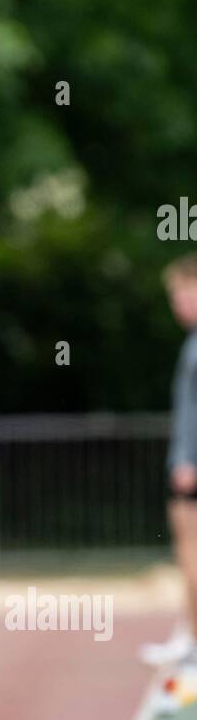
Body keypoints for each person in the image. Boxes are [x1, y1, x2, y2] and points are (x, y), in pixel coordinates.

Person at [163, 255, 197, 652]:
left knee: (191, 555)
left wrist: (189, 459)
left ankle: (192, 638)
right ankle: (190, 633)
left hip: (191, 465)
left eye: (182, 295)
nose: (177, 305)